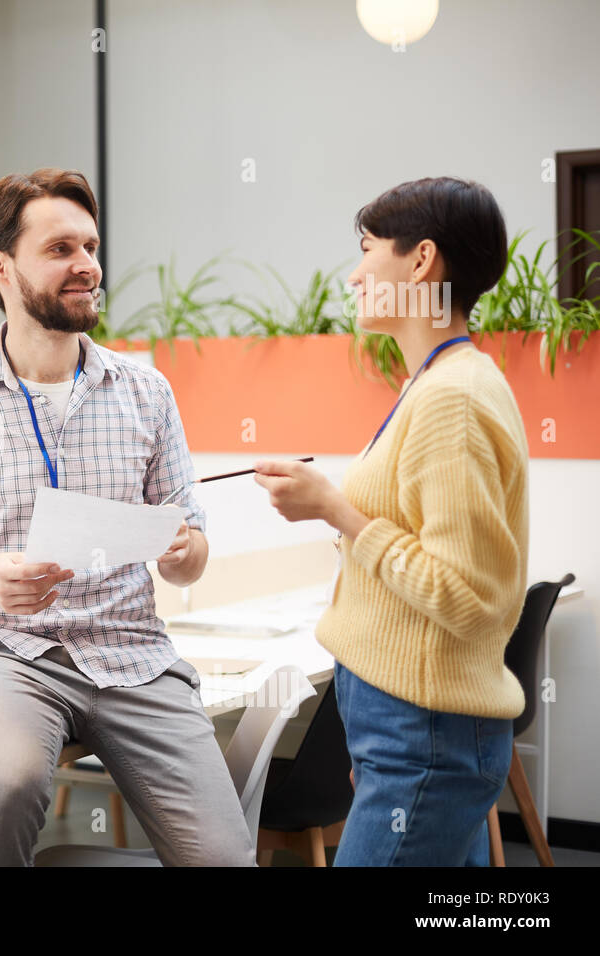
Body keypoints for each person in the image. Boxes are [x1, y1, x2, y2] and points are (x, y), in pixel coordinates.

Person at [0, 167, 254, 866]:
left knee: (222, 860)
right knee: (8, 788)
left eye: (90, 247)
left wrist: (185, 554)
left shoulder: (145, 391)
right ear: (0, 266)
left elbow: (194, 540)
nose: (87, 266)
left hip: (132, 652)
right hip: (8, 653)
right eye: (61, 250)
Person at [253, 177, 527, 866]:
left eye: (368, 249)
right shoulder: (438, 382)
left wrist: (335, 509)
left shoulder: (451, 397)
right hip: (407, 730)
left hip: (422, 730)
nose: (353, 273)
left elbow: (467, 595)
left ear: (420, 261)